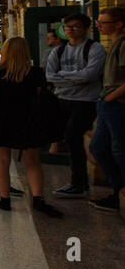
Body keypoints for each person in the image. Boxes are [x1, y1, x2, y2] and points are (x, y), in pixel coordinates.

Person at [0, 36, 61, 216]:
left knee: (2, 161)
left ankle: (5, 199)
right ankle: (38, 199)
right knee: (32, 162)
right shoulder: (36, 72)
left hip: (1, 120)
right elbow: (38, 94)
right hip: (27, 120)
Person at [44, 12, 103, 198]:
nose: (70, 30)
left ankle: (79, 183)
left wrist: (64, 76)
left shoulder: (95, 49)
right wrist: (76, 78)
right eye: (67, 27)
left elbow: (90, 75)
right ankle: (78, 181)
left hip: (86, 101)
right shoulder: (58, 51)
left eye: (75, 26)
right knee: (70, 139)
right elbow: (50, 76)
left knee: (72, 136)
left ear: (86, 28)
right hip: (62, 100)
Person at [88, 7, 125, 212]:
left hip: (117, 104)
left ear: (118, 24)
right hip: (107, 103)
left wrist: (111, 98)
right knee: (99, 147)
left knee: (119, 149)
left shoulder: (123, 44)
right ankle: (118, 190)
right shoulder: (113, 44)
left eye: (103, 22)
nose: (99, 26)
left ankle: (121, 192)